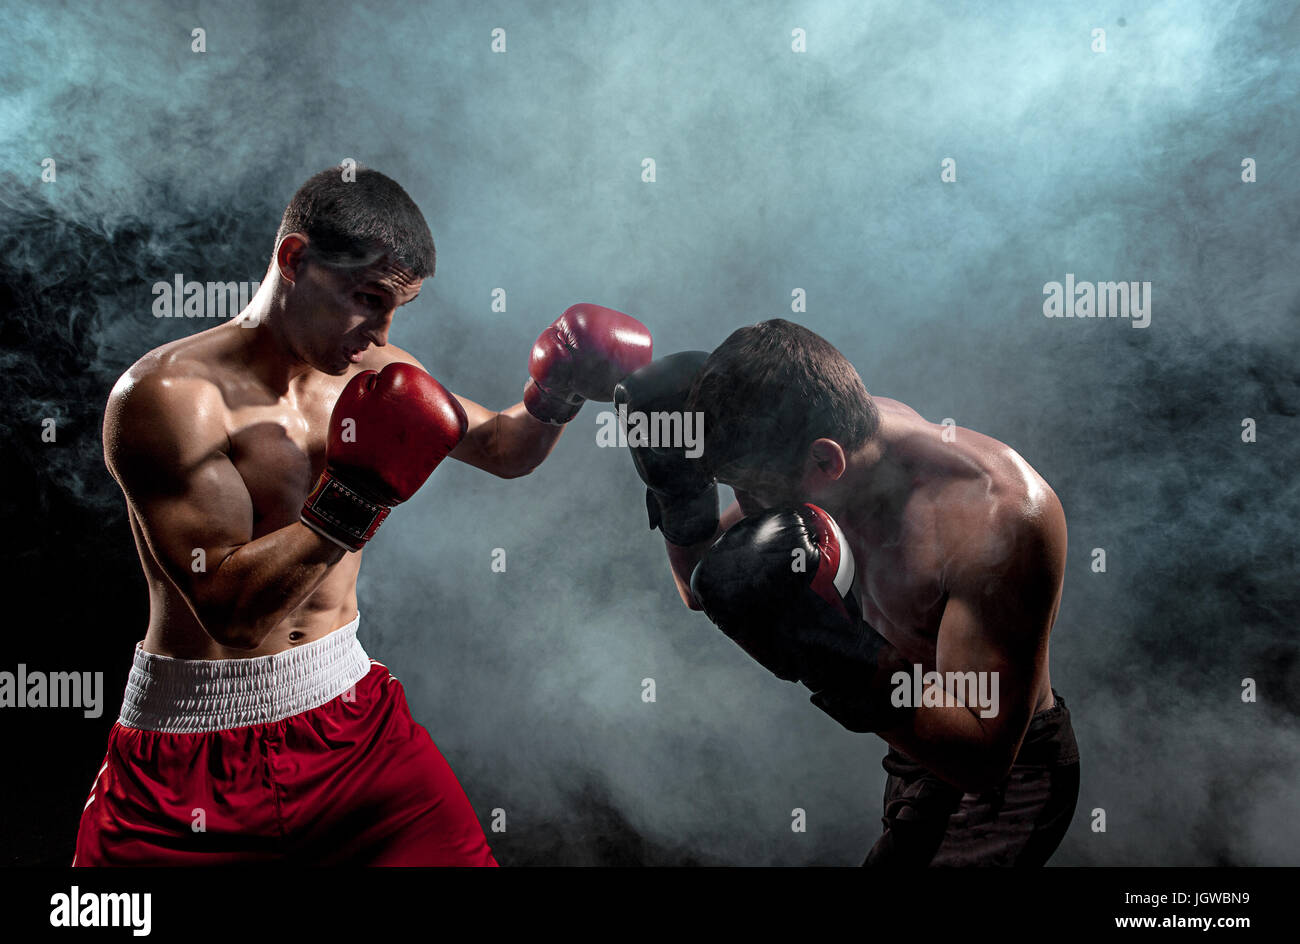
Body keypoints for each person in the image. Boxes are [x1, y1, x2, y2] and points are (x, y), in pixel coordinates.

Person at [74, 166, 652, 865]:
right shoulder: (169, 398)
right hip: (191, 759)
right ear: (295, 260)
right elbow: (233, 613)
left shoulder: (373, 372)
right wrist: (355, 497)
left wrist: (556, 392)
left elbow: (503, 449)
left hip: (353, 731)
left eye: (394, 309)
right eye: (366, 299)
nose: (379, 333)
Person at [617, 321, 1079, 866]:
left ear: (825, 461)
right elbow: (705, 585)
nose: (742, 504)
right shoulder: (812, 447)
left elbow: (982, 761)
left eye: (748, 487)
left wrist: (828, 653)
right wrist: (679, 493)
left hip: (1004, 776)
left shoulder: (996, 518)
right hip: (918, 756)